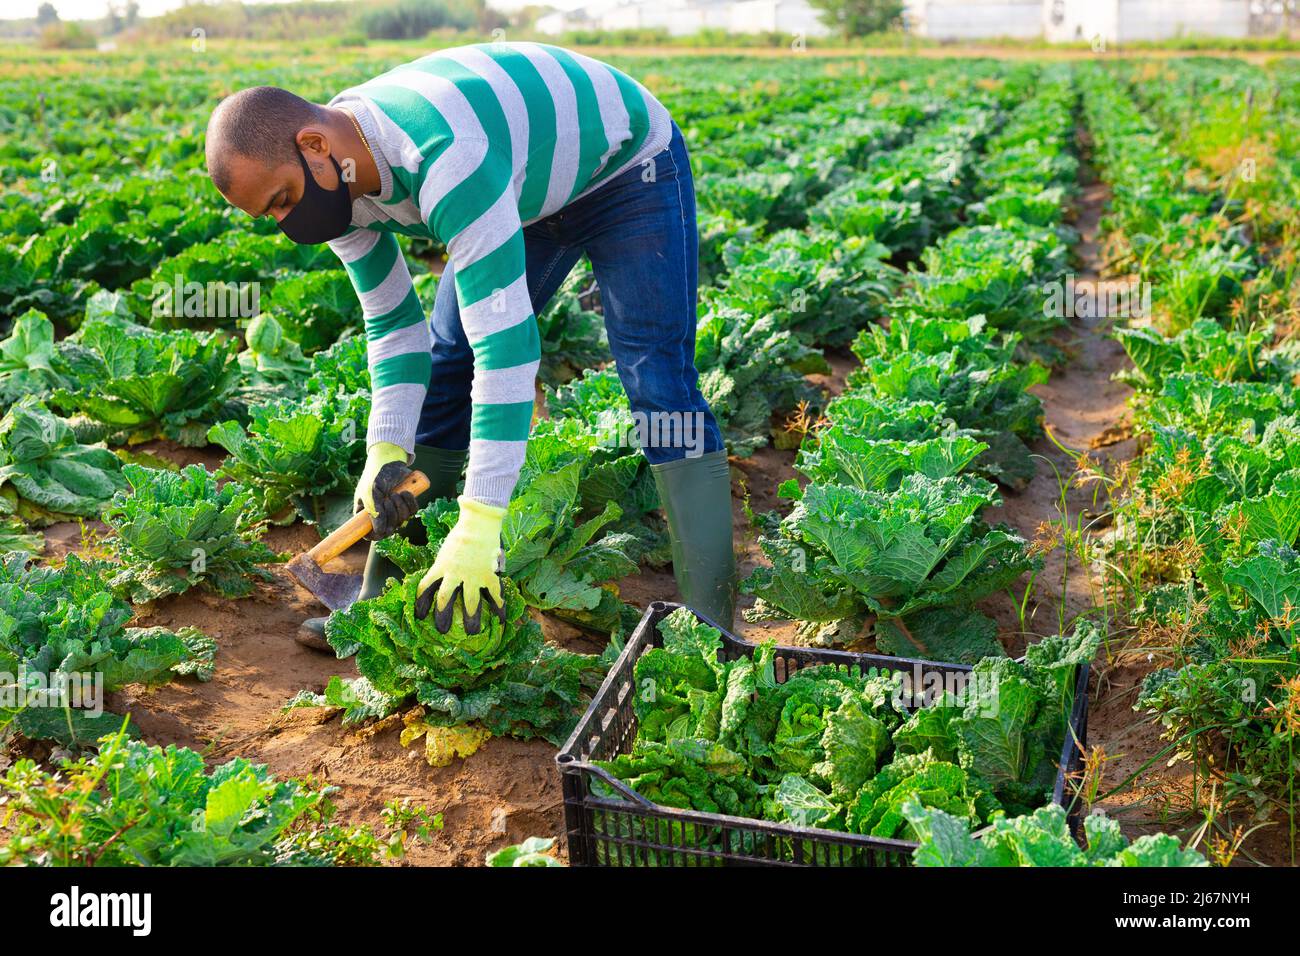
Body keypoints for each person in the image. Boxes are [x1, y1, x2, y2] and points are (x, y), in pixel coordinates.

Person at [203, 41, 736, 645]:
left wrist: (481, 523)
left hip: (625, 170)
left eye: (282, 201)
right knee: (448, 358)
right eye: (270, 215)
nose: (287, 223)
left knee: (656, 377)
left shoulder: (444, 158)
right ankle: (386, 599)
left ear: (315, 145)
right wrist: (385, 448)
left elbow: (506, 352)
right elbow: (393, 326)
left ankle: (712, 627)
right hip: (518, 181)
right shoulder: (333, 189)